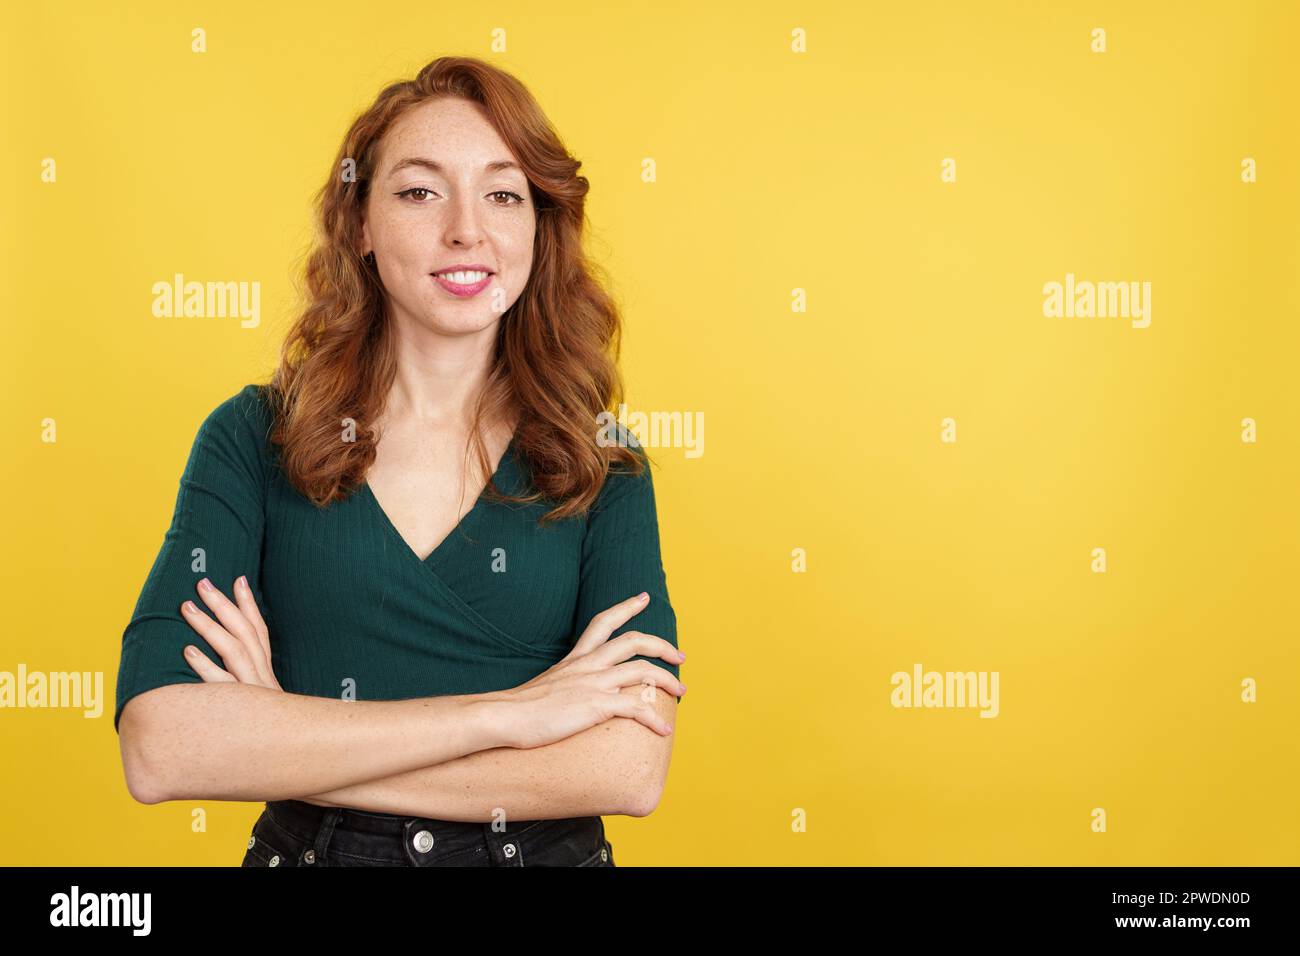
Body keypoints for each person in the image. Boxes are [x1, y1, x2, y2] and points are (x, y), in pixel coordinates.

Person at [113, 55, 686, 867]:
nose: (467, 229)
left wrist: (288, 739)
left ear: (536, 226)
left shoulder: (604, 465)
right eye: (420, 191)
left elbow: (626, 769)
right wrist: (508, 715)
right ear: (360, 225)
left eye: (503, 193)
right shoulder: (252, 438)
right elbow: (163, 747)